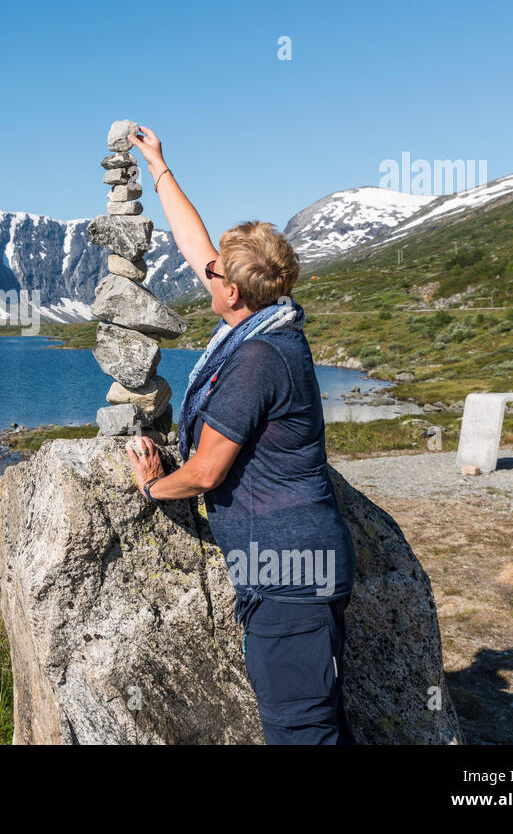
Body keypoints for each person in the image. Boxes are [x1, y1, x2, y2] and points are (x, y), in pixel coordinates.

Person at [121, 126, 358, 745]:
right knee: (312, 719)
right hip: (291, 565)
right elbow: (194, 241)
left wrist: (151, 486)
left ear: (231, 290)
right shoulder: (264, 320)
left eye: (214, 273)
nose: (206, 273)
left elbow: (206, 472)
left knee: (301, 731)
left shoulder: (257, 360)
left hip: (289, 574)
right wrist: (159, 166)